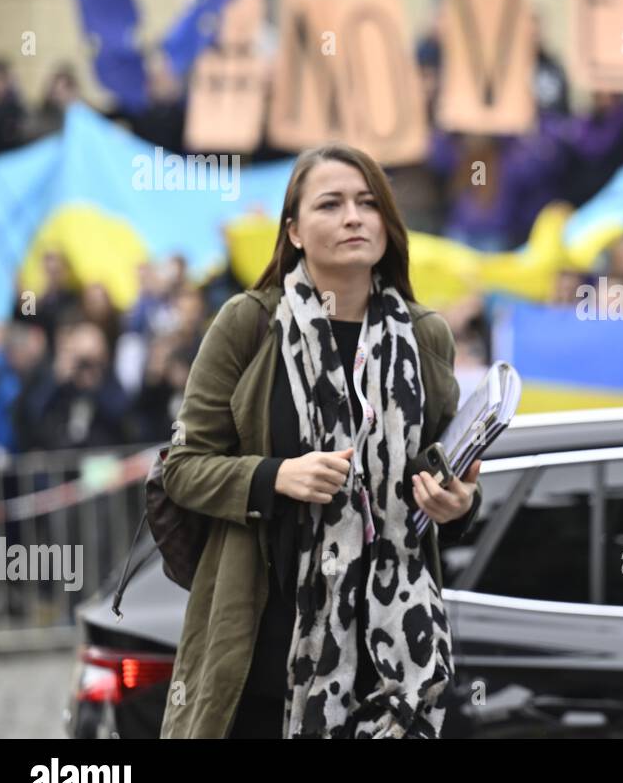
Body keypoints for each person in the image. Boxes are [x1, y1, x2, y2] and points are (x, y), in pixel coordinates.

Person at [160, 142, 483, 739]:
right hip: (264, 650)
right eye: (330, 204)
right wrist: (273, 477)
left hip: (391, 660)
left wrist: (459, 504)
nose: (353, 217)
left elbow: (445, 478)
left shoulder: (424, 336)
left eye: (368, 203)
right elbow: (182, 467)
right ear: (295, 232)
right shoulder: (248, 323)